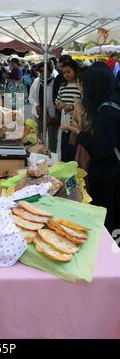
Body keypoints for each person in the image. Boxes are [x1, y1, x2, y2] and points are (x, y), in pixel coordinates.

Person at [68, 62, 120, 235]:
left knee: (106, 221)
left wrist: (79, 133)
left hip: (108, 176)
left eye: (86, 85)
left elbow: (100, 149)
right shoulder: (113, 102)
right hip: (112, 173)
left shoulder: (107, 111)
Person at [29, 61, 58, 153]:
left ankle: (52, 157)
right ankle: (40, 156)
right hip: (39, 114)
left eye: (44, 71)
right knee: (39, 137)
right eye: (40, 71)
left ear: (50, 70)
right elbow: (31, 97)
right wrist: (36, 105)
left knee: (52, 138)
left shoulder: (55, 82)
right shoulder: (36, 82)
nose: (42, 73)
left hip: (52, 116)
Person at [55, 60, 81, 162]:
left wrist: (71, 107)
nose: (66, 74)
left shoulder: (80, 86)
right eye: (64, 73)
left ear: (75, 70)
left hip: (76, 126)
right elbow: (57, 102)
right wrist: (59, 105)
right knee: (64, 152)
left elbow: (84, 105)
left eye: (68, 71)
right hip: (65, 125)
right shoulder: (63, 87)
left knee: (74, 154)